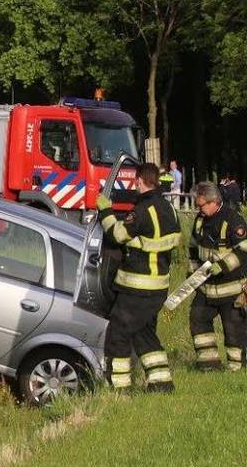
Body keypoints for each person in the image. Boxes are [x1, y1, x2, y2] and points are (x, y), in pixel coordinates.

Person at [96, 163, 181, 392]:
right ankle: (161, 383)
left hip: (137, 287)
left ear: (140, 181)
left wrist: (106, 211)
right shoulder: (169, 209)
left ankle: (119, 387)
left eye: (135, 182)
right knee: (144, 334)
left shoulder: (142, 210)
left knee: (118, 333)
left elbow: (117, 235)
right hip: (158, 286)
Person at [188, 182, 247, 372]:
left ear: (214, 201)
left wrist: (220, 267)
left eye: (202, 205)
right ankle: (209, 365)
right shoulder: (199, 220)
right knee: (197, 319)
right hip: (205, 287)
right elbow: (193, 249)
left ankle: (236, 369)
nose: (199, 209)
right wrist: (192, 277)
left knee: (233, 332)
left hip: (231, 288)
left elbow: (243, 251)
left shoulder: (233, 220)